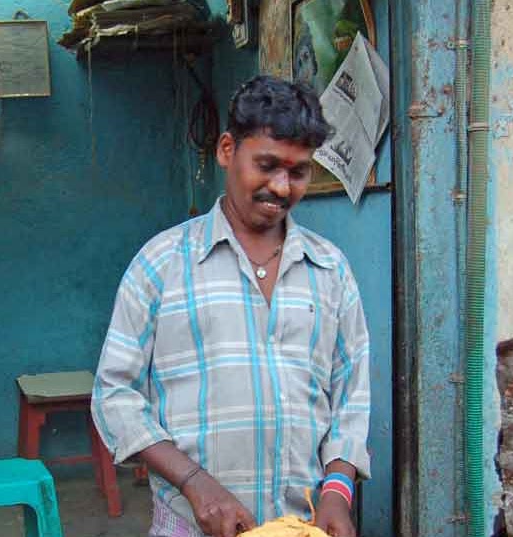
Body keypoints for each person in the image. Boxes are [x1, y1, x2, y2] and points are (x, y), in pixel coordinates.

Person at [91, 75, 370, 537]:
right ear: (226, 150)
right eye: (266, 165)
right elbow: (115, 394)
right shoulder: (161, 264)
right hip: (188, 525)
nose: (281, 187)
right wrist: (194, 482)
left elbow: (351, 397)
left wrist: (338, 491)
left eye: (298, 172)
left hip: (300, 527)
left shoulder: (331, 270)